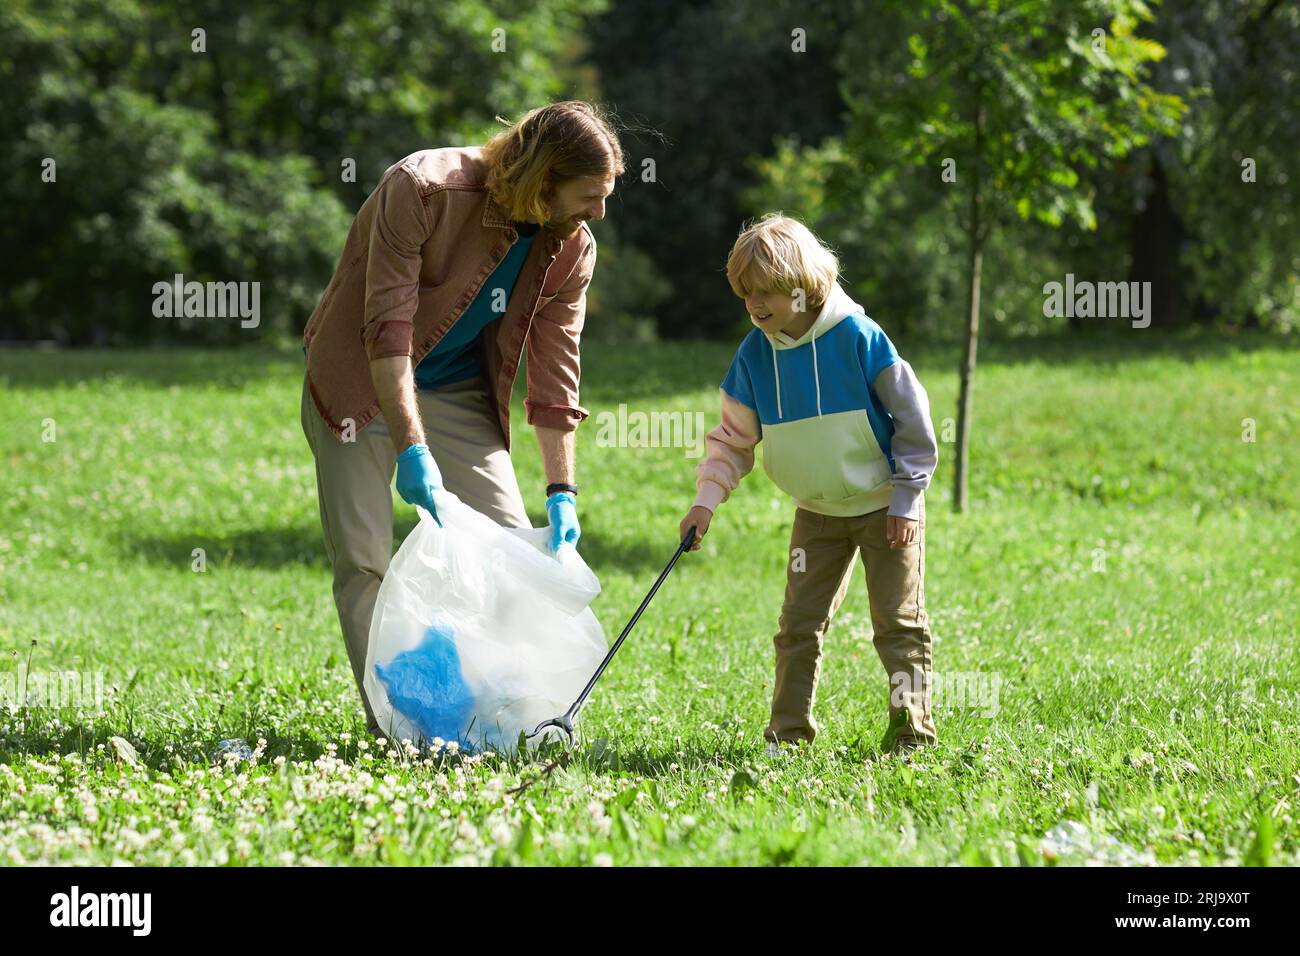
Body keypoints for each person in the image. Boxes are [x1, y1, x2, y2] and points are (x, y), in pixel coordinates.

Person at [301, 101, 622, 737]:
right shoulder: (422, 189)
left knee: (512, 553)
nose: (599, 213)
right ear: (543, 180)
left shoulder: (571, 247)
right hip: (359, 380)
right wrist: (411, 450)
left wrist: (563, 494)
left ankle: (488, 718)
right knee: (364, 562)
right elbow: (386, 333)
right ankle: (405, 732)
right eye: (589, 195)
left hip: (454, 390)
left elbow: (555, 377)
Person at [678, 214, 939, 754]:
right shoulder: (754, 355)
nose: (754, 305)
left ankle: (912, 732)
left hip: (884, 508)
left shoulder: (859, 338)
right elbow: (731, 440)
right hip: (816, 514)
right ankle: (787, 735)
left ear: (802, 283)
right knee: (797, 627)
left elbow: (914, 421)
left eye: (766, 291)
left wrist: (907, 499)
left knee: (897, 624)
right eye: (745, 293)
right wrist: (705, 502)